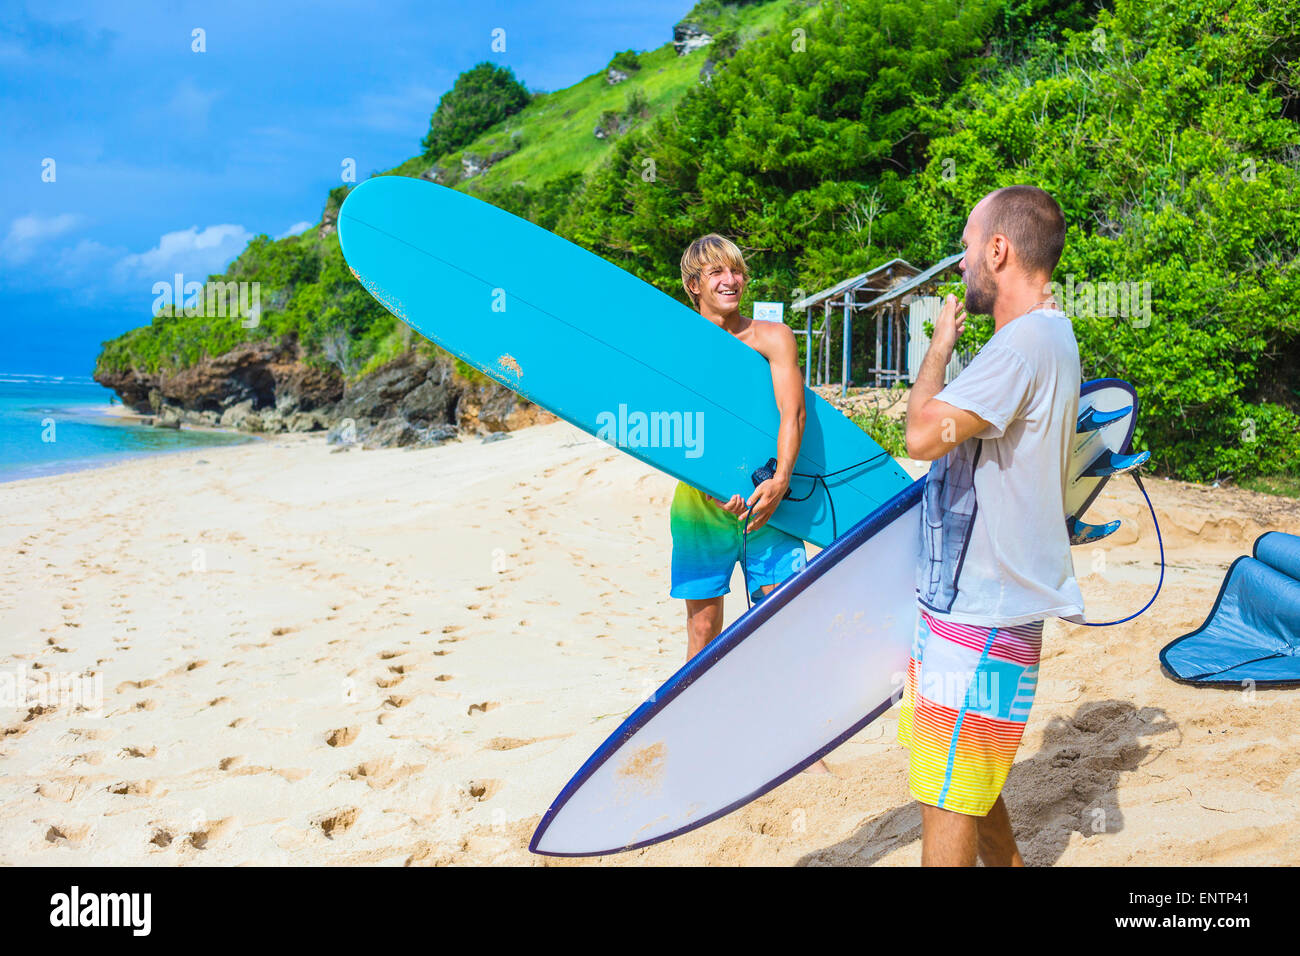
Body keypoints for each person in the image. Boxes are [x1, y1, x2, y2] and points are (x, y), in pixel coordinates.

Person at [899, 184, 1084, 865]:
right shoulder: (1050, 334)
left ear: (999, 249)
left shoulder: (1020, 346)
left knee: (947, 804)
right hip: (977, 610)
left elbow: (923, 434)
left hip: (981, 618)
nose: (961, 263)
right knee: (962, 784)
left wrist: (940, 349)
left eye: (968, 246)